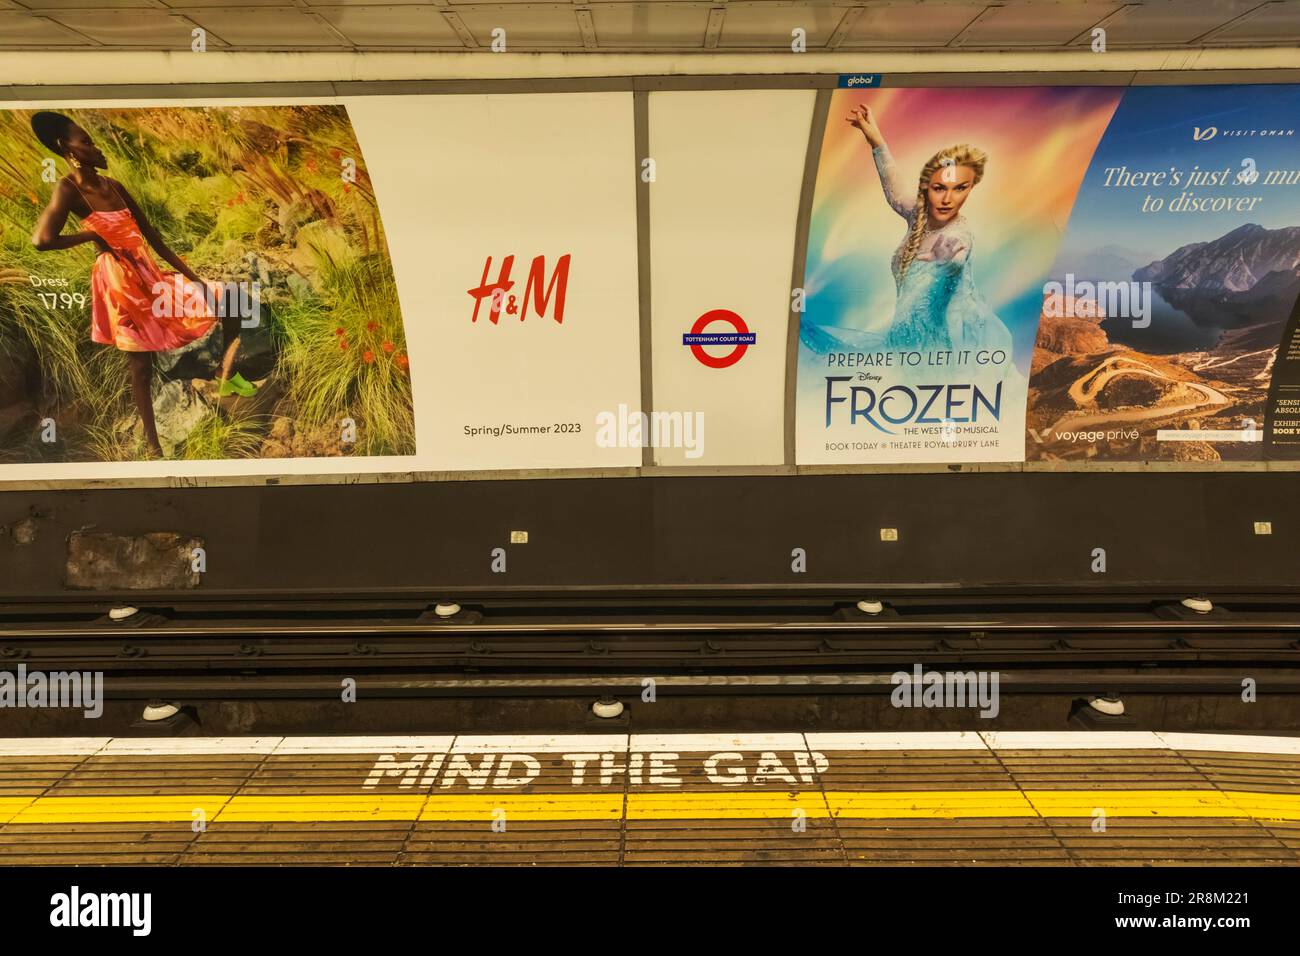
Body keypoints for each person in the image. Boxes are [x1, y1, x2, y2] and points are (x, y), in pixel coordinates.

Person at [29, 111, 255, 459]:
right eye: (85, 141)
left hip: (151, 275)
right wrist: (90, 234)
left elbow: (156, 239)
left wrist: (197, 281)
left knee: (232, 298)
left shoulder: (114, 187)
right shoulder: (69, 188)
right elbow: (42, 239)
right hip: (119, 281)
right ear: (66, 148)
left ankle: (226, 375)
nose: (94, 145)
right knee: (140, 365)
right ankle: (153, 448)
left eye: (91, 139)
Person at [846, 104, 1012, 359]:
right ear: (926, 188)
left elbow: (956, 258)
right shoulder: (918, 215)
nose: (947, 198)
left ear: (970, 188)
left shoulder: (959, 235)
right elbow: (896, 194)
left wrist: (945, 263)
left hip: (941, 355)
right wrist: (876, 142)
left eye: (960, 188)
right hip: (902, 346)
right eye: (939, 188)